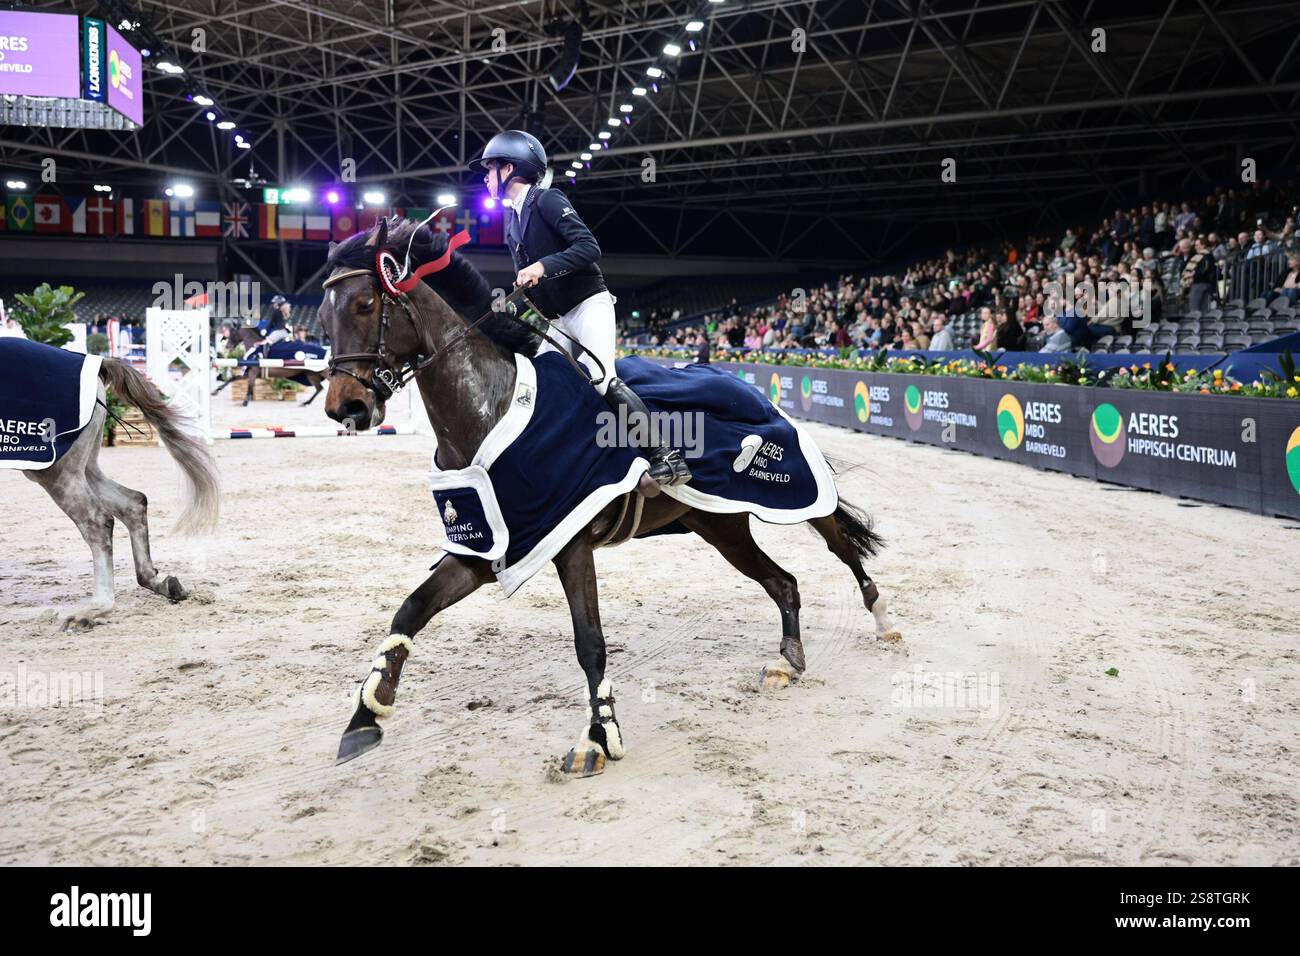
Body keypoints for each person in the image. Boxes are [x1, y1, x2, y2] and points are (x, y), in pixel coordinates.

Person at [471, 129, 689, 489]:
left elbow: (589, 247)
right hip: (556, 318)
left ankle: (665, 455)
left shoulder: (548, 200)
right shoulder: (512, 224)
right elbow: (534, 284)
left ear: (509, 168)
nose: (484, 177)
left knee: (600, 377)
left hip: (588, 303)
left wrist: (543, 266)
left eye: (489, 169)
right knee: (543, 384)